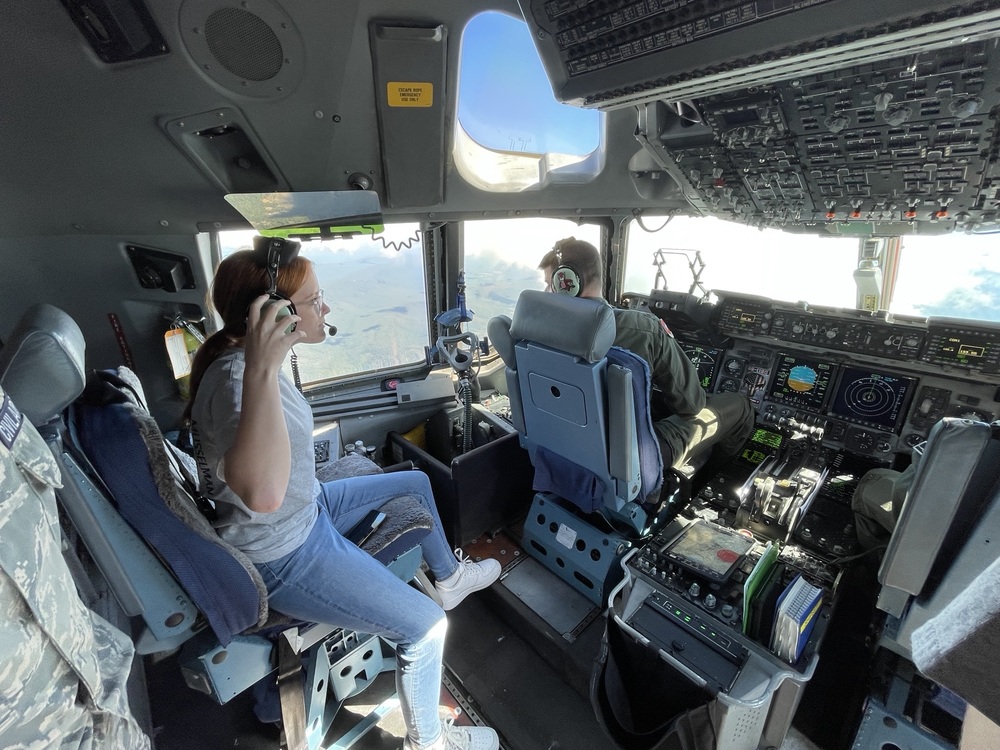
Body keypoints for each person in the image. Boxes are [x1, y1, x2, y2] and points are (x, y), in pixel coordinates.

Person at [185, 240, 501, 750]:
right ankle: (429, 741)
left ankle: (450, 578)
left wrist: (270, 357)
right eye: (314, 300)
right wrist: (267, 365)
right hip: (284, 551)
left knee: (414, 481)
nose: (324, 309)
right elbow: (262, 496)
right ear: (274, 312)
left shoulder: (239, 363)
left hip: (304, 509)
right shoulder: (242, 382)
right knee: (425, 627)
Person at [538, 237, 755, 480]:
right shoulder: (641, 327)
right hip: (632, 459)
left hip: (565, 449)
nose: (548, 292)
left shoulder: (536, 332)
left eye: (550, 284)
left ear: (567, 282)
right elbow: (691, 404)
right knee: (741, 405)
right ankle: (704, 485)